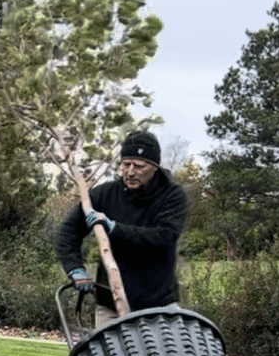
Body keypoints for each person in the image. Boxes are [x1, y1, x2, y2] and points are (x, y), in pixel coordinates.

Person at [54, 130, 189, 326]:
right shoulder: (104, 195)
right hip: (111, 306)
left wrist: (113, 228)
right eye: (126, 164)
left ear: (154, 167)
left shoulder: (172, 196)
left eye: (139, 166)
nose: (131, 172)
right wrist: (75, 268)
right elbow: (68, 233)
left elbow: (163, 237)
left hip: (159, 306)